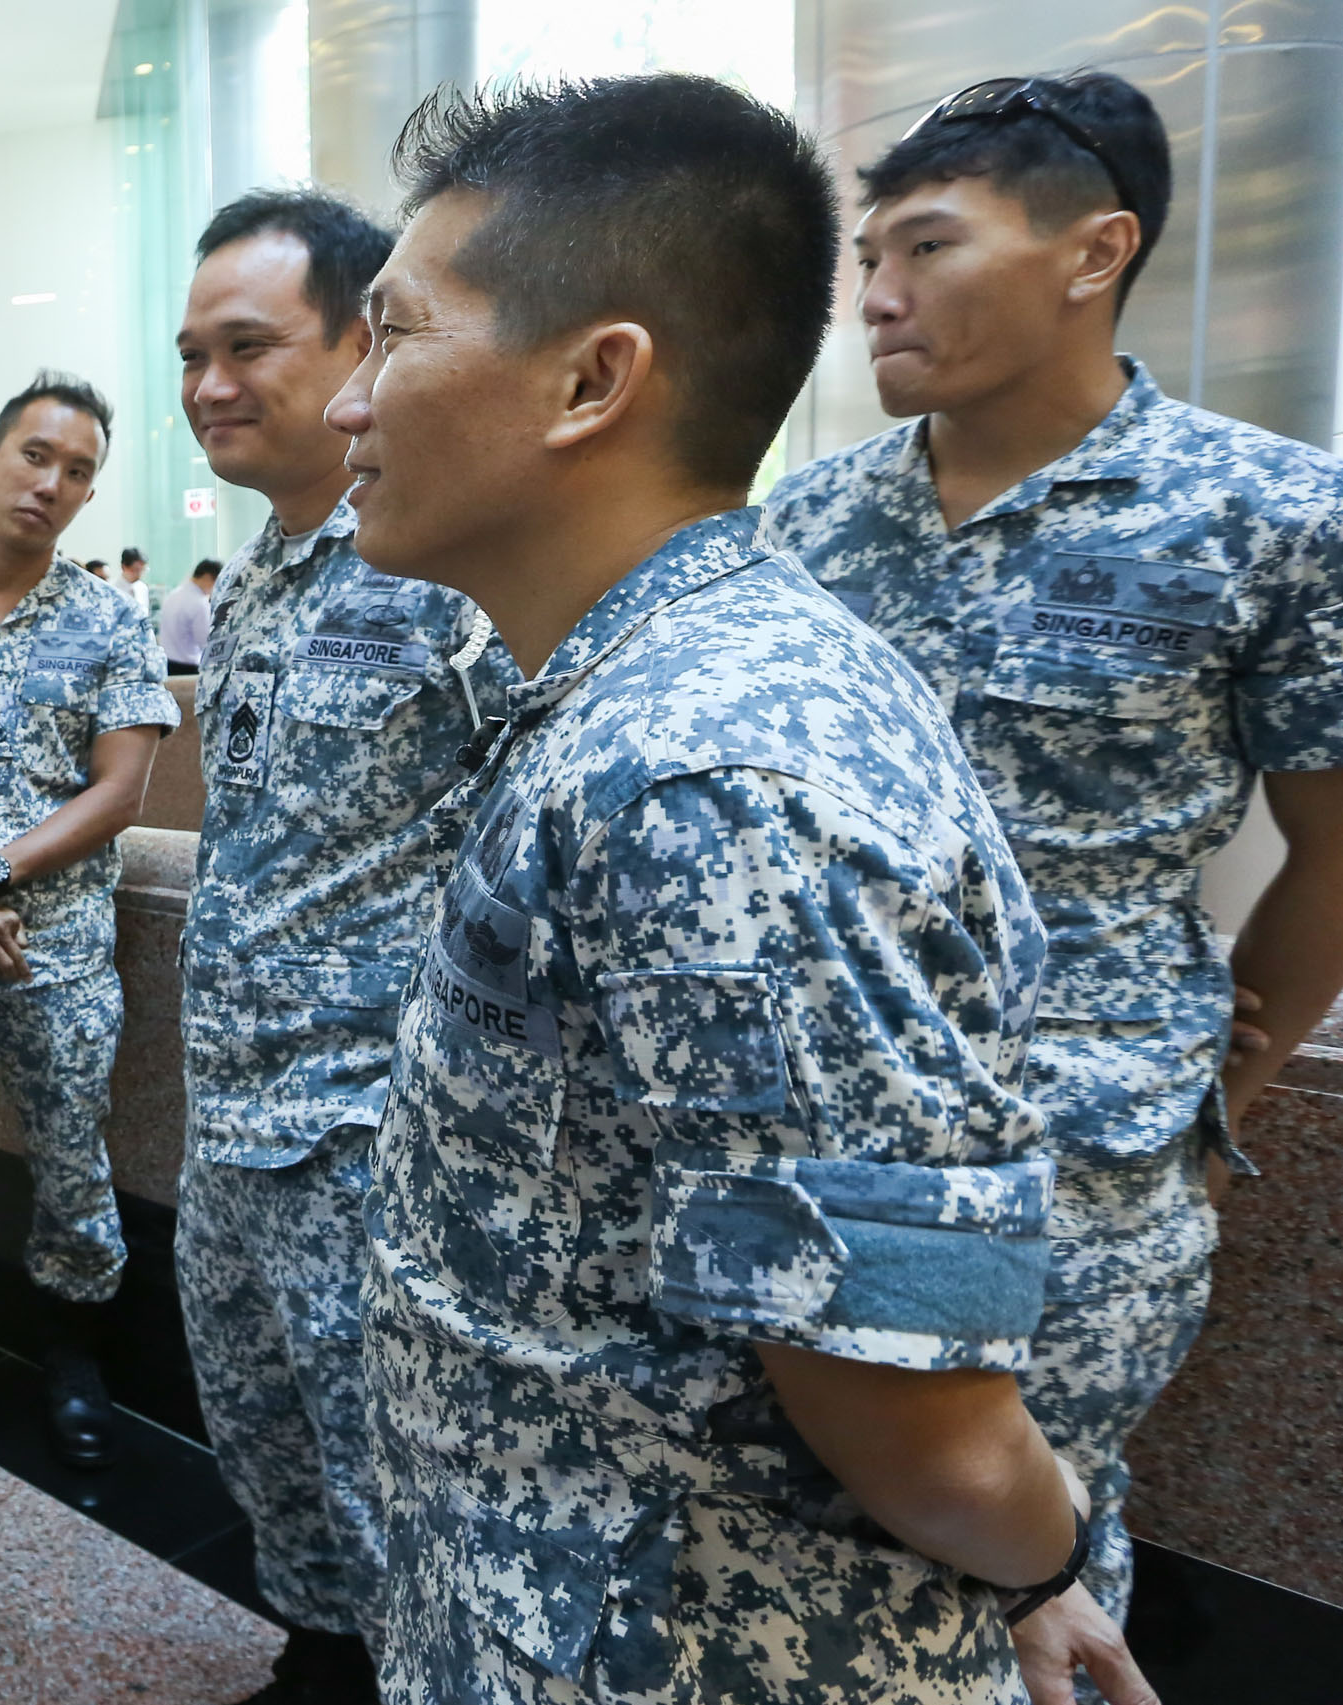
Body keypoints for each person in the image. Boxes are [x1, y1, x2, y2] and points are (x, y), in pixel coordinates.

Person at [338, 75, 1100, 1704]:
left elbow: (922, 1418)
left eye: (390, 335)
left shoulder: (717, 777)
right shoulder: (634, 695)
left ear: (590, 379)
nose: (350, 403)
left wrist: (1042, 1563)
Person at [762, 70, 1343, 1703]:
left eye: (927, 246)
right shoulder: (808, 524)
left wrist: (1211, 1104)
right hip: (834, 1152)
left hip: (1078, 1175)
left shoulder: (1266, 518)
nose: (876, 295)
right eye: (867, 257)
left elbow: (1333, 850)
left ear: (1094, 252)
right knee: (818, 1562)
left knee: (1032, 1570)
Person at [173, 186, 512, 1705]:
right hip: (230, 1120)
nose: (208, 387)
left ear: (359, 342)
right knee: (269, 1452)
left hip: (372, 1139)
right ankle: (315, 1661)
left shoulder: (456, 570)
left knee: (397, 1493)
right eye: (190, 355)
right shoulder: (259, 568)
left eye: (246, 347)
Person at [0, 372, 177, 1470]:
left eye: (76, 471)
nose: (50, 483)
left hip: (55, 949)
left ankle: (75, 1349)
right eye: (34, 455)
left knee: (70, 1156)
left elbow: (118, 792)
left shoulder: (106, 620)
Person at [157, 559, 218, 674]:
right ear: (208, 577)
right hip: (188, 668)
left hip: (167, 664)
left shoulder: (173, 595)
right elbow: (205, 642)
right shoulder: (199, 603)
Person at [112, 547, 154, 622]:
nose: (140, 574)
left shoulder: (142, 588)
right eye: (136, 570)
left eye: (143, 569)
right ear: (124, 567)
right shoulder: (113, 588)